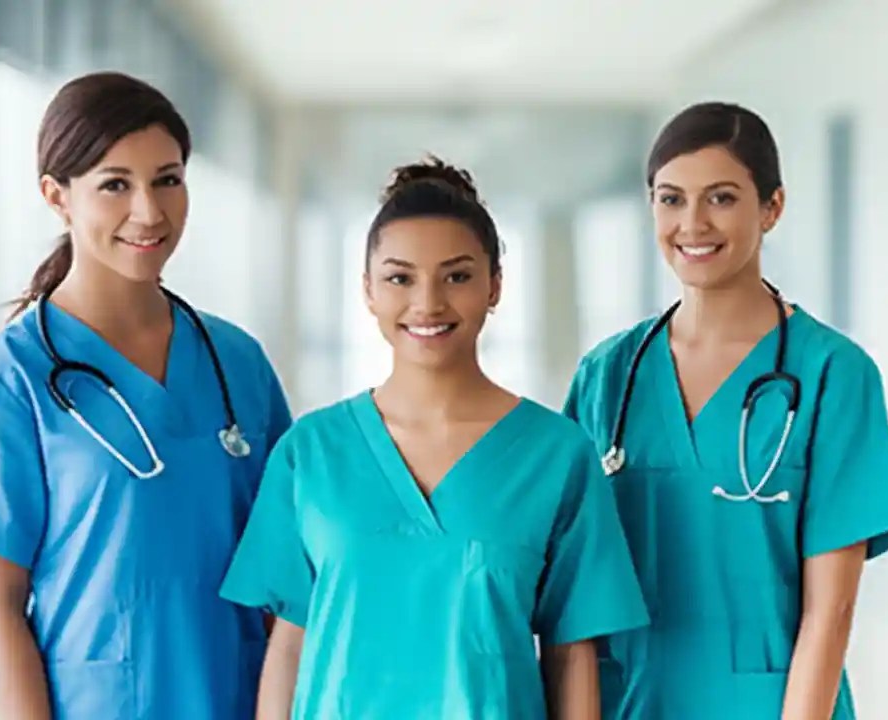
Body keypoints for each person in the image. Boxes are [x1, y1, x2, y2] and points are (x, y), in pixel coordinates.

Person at [0, 71, 292, 720]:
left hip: (235, 699)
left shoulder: (238, 363)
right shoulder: (12, 376)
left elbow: (289, 577)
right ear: (56, 196)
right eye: (115, 184)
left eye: (168, 179)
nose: (149, 211)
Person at [219, 156, 649, 719]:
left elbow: (571, 655)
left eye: (458, 276)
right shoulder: (312, 452)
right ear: (368, 290)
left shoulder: (557, 455)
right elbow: (291, 644)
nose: (428, 303)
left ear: (495, 285)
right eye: (400, 278)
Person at [563, 101, 888, 719]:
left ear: (771, 207)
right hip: (631, 702)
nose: (692, 224)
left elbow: (829, 611)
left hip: (773, 703)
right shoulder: (607, 374)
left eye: (721, 198)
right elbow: (573, 586)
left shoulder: (833, 373)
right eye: (670, 199)